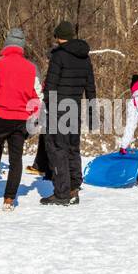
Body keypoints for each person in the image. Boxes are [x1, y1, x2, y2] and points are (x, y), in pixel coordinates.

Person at [0, 28, 41, 212]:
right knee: (16, 159)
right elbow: (37, 99)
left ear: (6, 44)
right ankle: (9, 199)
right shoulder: (32, 68)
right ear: (22, 47)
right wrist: (33, 123)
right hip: (21, 119)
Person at [40, 21, 95, 206]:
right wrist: (91, 112)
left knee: (57, 150)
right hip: (75, 108)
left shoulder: (59, 55)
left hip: (59, 108)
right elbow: (90, 87)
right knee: (72, 149)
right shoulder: (85, 57)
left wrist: (48, 106)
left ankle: (62, 193)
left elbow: (51, 85)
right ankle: (73, 189)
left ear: (58, 36)